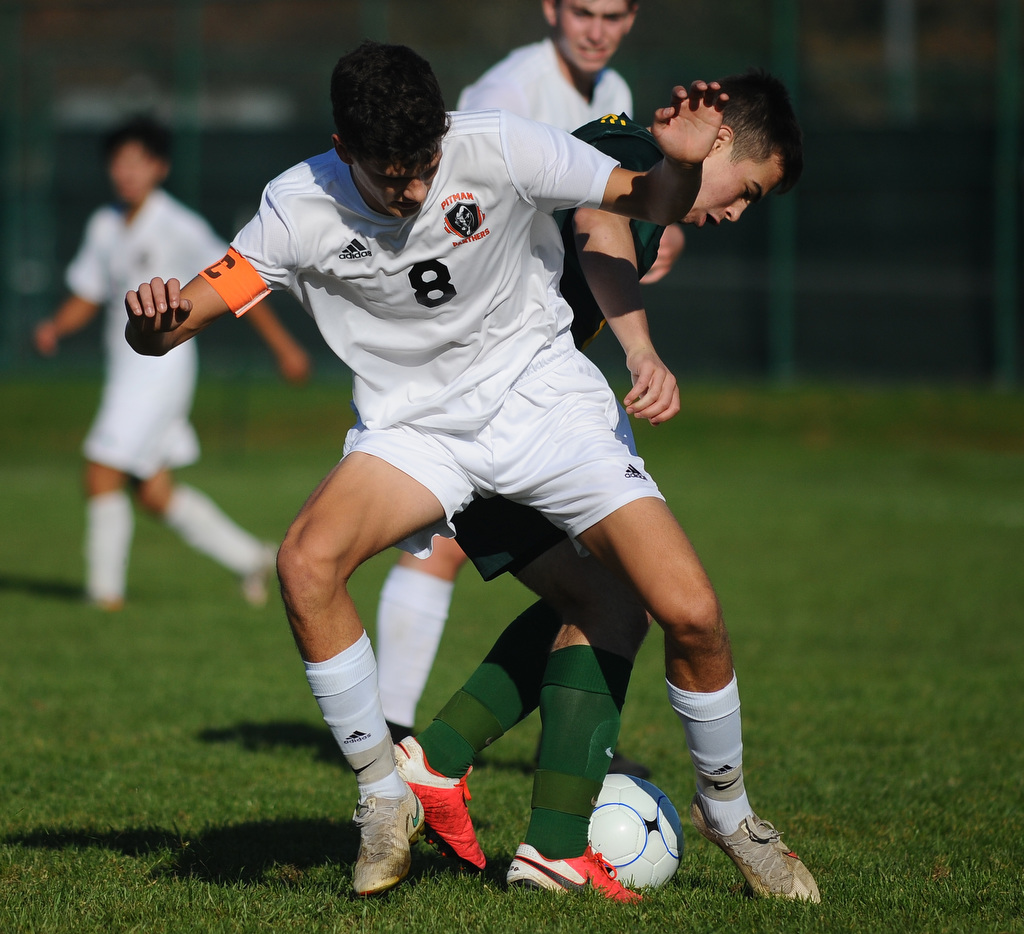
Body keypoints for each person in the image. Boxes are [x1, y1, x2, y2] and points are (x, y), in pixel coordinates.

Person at [122, 42, 803, 903]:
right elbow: (181, 314)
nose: (413, 192)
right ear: (344, 144)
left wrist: (675, 164)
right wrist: (153, 321)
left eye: (426, 167)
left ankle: (730, 813)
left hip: (542, 400)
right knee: (305, 562)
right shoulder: (296, 206)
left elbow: (637, 202)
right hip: (420, 429)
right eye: (392, 176)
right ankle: (383, 797)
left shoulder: (496, 143)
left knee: (689, 613)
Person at [395, 71, 819, 903]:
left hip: (459, 408)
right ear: (722, 138)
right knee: (680, 607)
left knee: (608, 603)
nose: (738, 214)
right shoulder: (629, 147)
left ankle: (457, 778)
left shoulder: (644, 167)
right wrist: (640, 345)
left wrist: (672, 210)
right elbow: (600, 224)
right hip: (494, 413)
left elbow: (629, 219)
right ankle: (727, 815)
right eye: (751, 191)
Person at [376, 0, 678, 765]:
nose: (596, 28)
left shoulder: (608, 84)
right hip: (475, 365)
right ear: (551, 8)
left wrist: (651, 227)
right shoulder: (507, 94)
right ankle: (395, 735)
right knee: (454, 550)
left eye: (614, 14)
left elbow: (615, 194)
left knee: (601, 577)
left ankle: (533, 742)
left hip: (540, 361)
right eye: (582, 10)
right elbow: (451, 211)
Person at [34, 115, 311, 611]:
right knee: (153, 491)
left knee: (100, 471)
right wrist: (57, 326)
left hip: (161, 368)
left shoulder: (178, 225)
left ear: (159, 168)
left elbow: (239, 281)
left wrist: (283, 347)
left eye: (138, 162)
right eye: (118, 162)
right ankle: (249, 557)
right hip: (124, 369)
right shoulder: (103, 225)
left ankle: (104, 597)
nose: (126, 172)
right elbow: (87, 292)